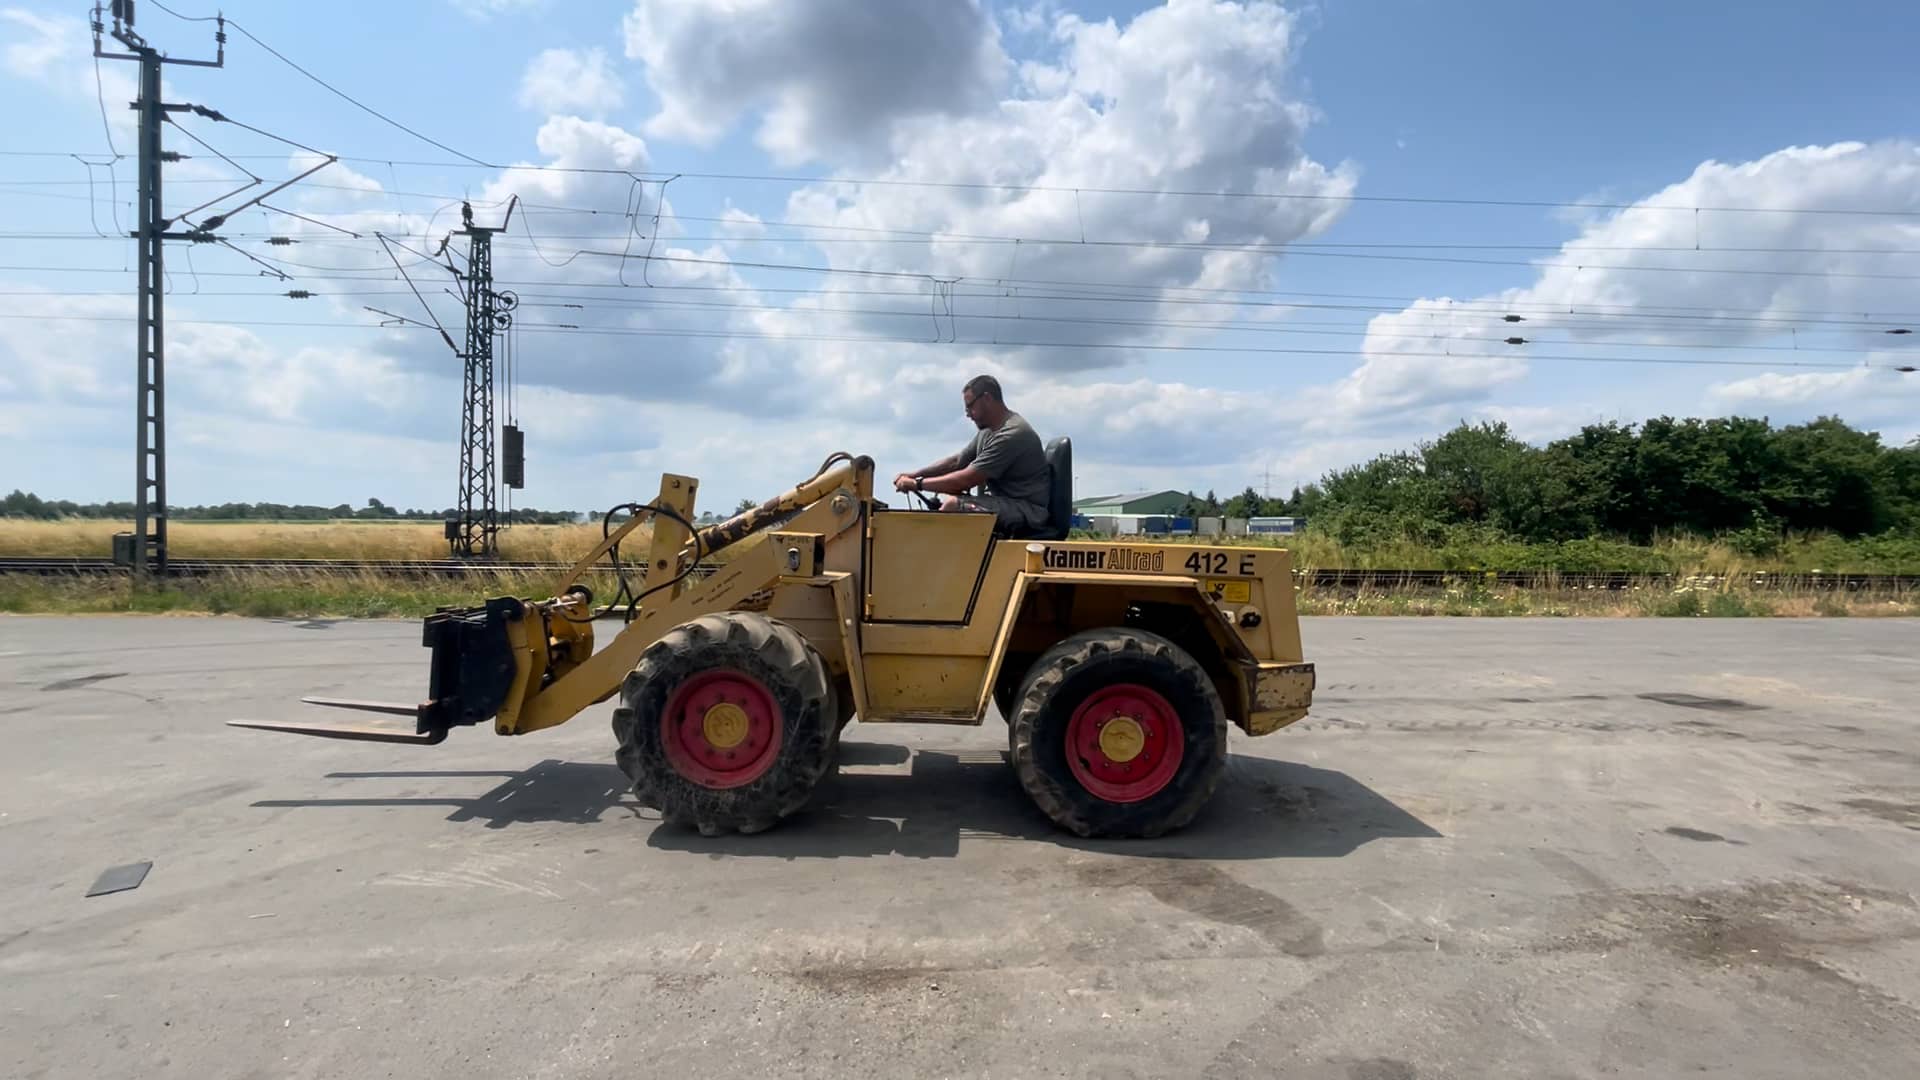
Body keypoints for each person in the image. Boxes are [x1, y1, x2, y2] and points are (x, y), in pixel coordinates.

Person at [893, 374, 1051, 534]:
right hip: (1004, 503)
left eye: (970, 406)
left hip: (1027, 511)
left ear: (987, 398)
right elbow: (956, 463)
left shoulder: (1012, 434)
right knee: (950, 500)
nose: (968, 413)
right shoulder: (988, 431)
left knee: (953, 505)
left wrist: (917, 484)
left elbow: (966, 479)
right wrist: (914, 475)